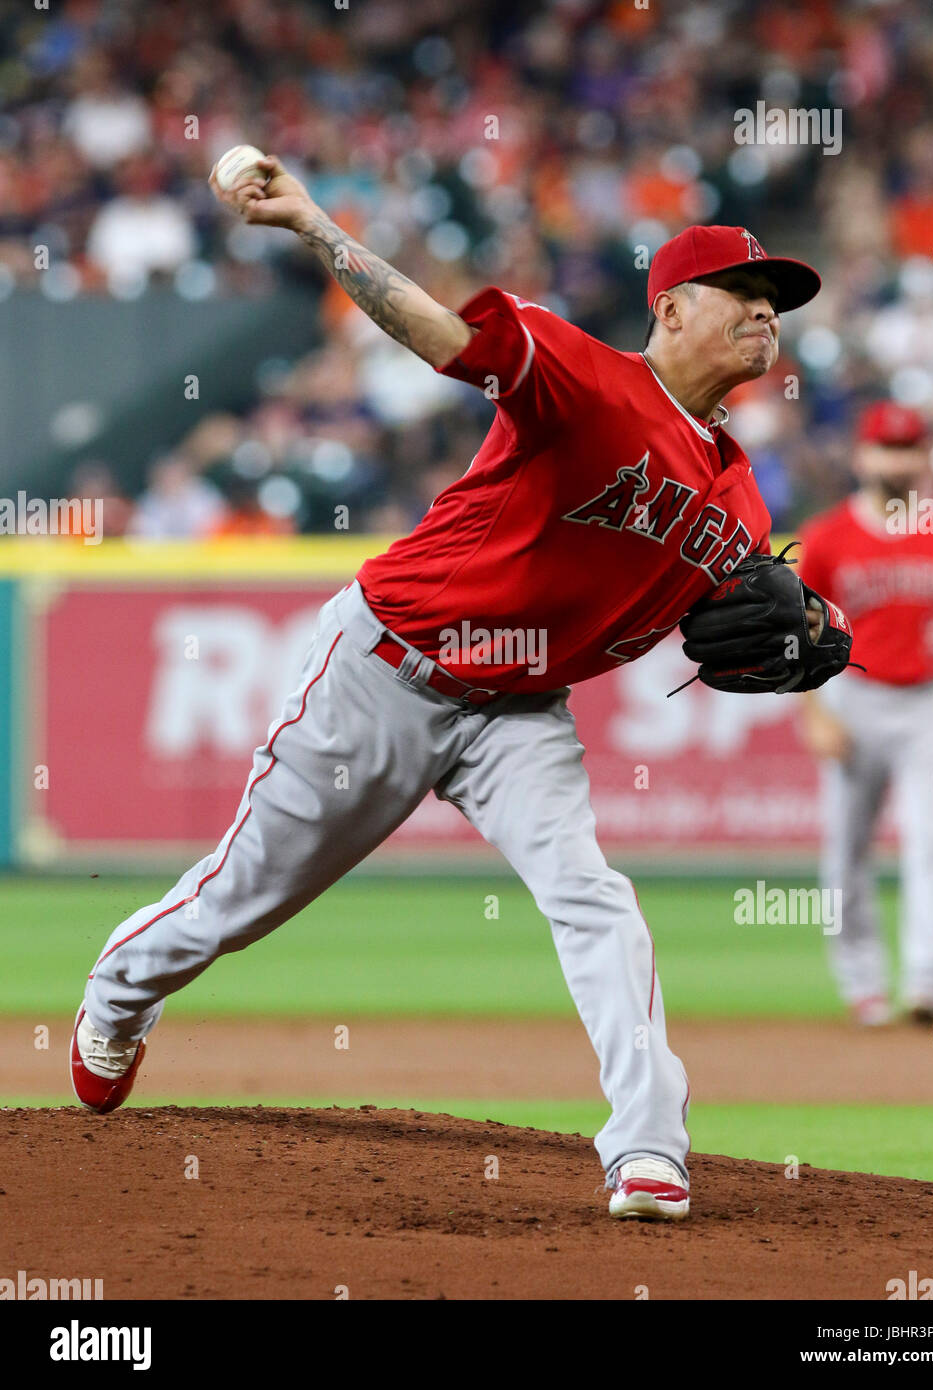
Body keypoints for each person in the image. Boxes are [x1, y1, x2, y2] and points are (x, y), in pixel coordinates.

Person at [71, 155, 834, 1222]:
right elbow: (440, 334)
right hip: (390, 670)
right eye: (745, 298)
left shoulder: (742, 495)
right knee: (244, 898)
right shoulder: (580, 375)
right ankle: (118, 992)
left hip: (521, 715)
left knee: (593, 898)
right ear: (670, 308)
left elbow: (727, 622)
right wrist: (315, 225)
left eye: (777, 306)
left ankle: (648, 1150)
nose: (767, 317)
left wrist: (814, 629)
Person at [798, 402, 933, 1027]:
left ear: (924, 457)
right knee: (846, 850)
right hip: (853, 698)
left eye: (908, 449)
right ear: (862, 455)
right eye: (886, 448)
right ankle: (864, 985)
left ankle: (928, 986)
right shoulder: (826, 537)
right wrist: (815, 712)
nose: (897, 460)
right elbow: (801, 636)